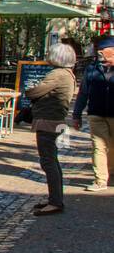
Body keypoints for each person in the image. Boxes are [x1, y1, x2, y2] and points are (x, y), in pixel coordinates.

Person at [28, 41, 77, 216]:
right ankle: (54, 199)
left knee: (48, 161)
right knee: (51, 160)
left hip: (48, 121)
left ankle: (55, 201)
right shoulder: (68, 74)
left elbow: (35, 92)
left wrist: (29, 91)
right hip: (55, 120)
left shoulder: (58, 74)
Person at [73, 35, 114, 193]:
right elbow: (83, 93)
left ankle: (110, 170)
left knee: (112, 147)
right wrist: (76, 115)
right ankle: (100, 180)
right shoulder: (92, 68)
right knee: (99, 147)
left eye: (103, 52)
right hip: (96, 113)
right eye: (99, 52)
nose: (100, 55)